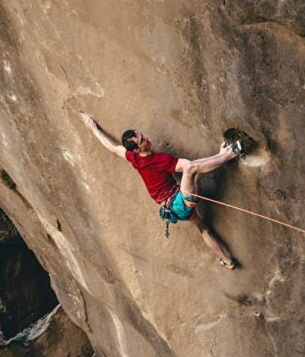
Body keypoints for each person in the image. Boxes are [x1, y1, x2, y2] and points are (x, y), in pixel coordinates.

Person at [79, 113, 243, 269]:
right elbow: (189, 165)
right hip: (179, 202)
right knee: (190, 168)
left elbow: (113, 147)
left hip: (174, 207)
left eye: (142, 135)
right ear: (136, 149)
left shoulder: (133, 157)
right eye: (142, 140)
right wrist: (221, 156)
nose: (146, 138)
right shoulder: (158, 160)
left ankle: (227, 261)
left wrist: (93, 128)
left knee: (203, 228)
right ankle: (231, 153)